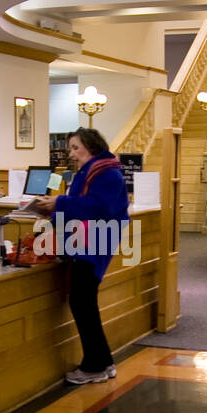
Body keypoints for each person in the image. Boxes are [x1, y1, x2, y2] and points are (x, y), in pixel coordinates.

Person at [30, 127, 129, 384]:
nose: (72, 155)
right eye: (70, 149)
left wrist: (59, 203)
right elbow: (80, 207)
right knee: (84, 304)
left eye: (76, 148)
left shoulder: (106, 173)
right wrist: (51, 211)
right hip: (85, 240)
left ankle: (94, 365)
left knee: (82, 303)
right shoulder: (92, 171)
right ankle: (103, 361)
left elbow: (99, 207)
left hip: (94, 243)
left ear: (91, 146)